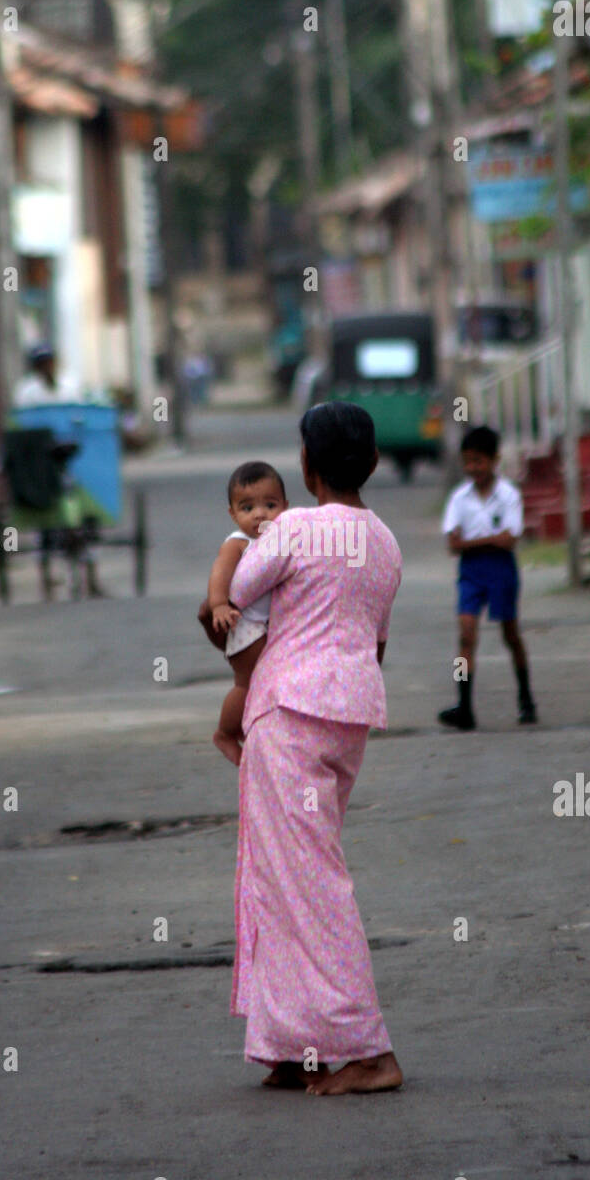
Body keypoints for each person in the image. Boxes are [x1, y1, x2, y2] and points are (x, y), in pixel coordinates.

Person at [197, 401, 403, 1095]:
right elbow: (376, 643)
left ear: (307, 468)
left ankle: (367, 1049)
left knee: (305, 879)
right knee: (285, 875)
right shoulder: (385, 542)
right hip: (348, 718)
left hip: (288, 715)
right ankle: (293, 1043)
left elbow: (223, 606)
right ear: (372, 464)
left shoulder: (293, 530)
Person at [438, 424, 537, 730]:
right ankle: (464, 705)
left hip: (500, 569)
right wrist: (490, 539)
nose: (472, 468)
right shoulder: (459, 498)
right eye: (467, 461)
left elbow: (510, 540)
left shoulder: (508, 495)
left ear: (495, 460)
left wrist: (473, 542)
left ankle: (525, 697)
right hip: (471, 572)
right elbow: (452, 545)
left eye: (478, 461)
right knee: (466, 636)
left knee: (510, 633)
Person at [207, 461, 289, 766]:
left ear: (286, 507)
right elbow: (220, 572)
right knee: (247, 682)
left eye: (270, 505)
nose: (260, 514)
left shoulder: (282, 539)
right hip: (246, 626)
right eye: (247, 507)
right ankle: (226, 733)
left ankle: (260, 731)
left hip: (269, 627)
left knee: (267, 682)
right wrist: (218, 604)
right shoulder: (239, 543)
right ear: (232, 513)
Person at [11, 344, 104, 599]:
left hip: (73, 454)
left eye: (50, 362)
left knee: (89, 515)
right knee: (45, 521)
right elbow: (23, 425)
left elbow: (84, 415)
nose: (47, 368)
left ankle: (93, 577)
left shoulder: (70, 386)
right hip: (43, 460)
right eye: (42, 363)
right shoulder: (26, 392)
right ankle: (46, 579)